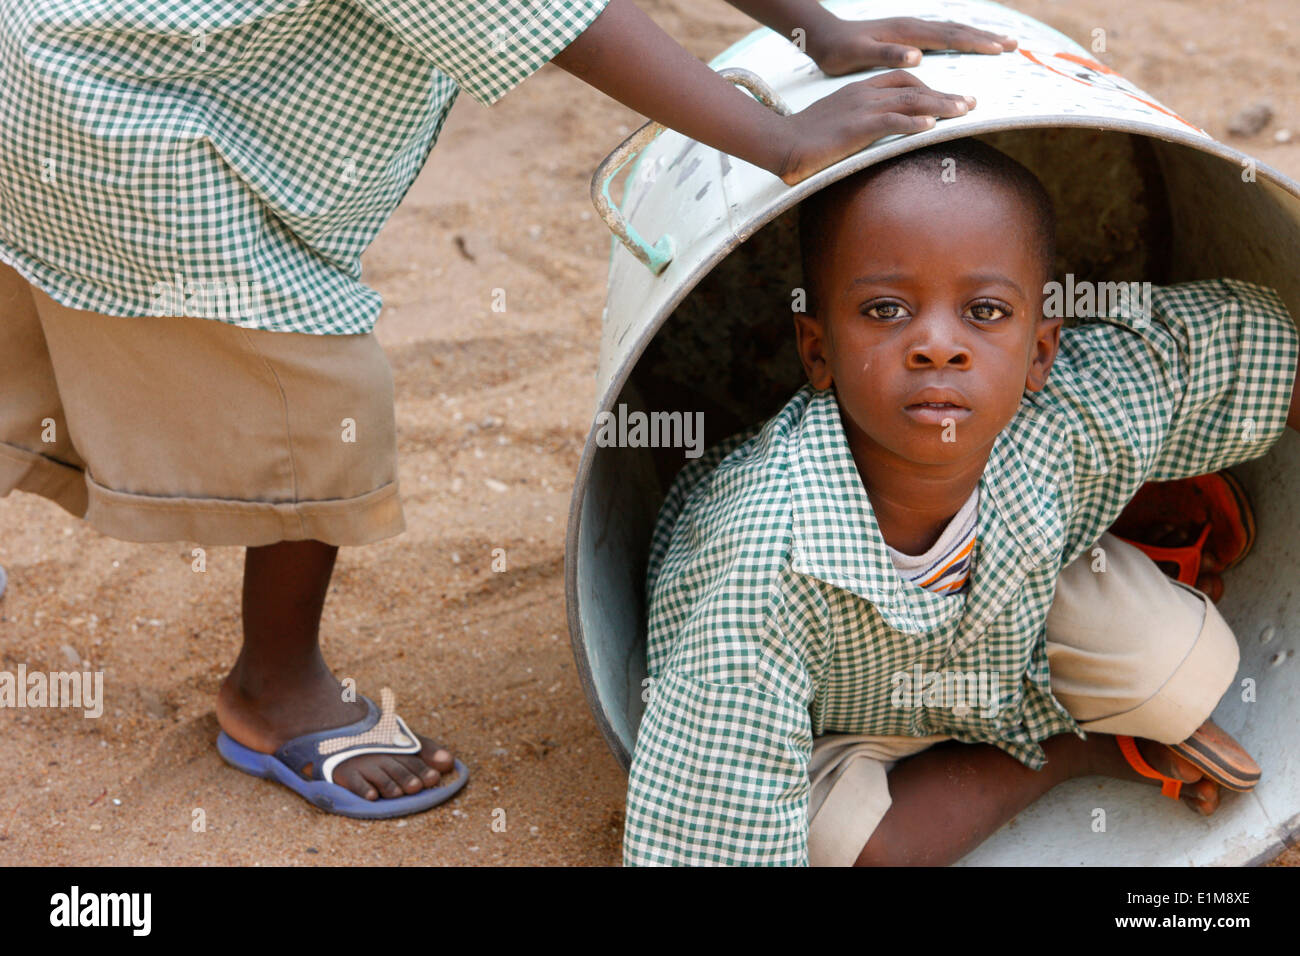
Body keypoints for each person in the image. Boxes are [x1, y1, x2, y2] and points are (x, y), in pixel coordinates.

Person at [0, 0, 1019, 818]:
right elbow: (561, 16)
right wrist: (775, 138)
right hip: (132, 119)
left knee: (28, 320)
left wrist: (818, 29)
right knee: (312, 388)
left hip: (59, 57)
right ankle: (274, 684)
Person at [623, 137, 1297, 865]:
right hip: (836, 707)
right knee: (851, 850)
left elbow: (1236, 351)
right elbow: (711, 833)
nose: (938, 346)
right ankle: (1069, 751)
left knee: (1183, 671)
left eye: (983, 310)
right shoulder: (763, 562)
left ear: (1040, 353)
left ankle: (1141, 504)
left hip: (1008, 626)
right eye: (886, 309)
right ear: (817, 350)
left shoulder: (1060, 413)